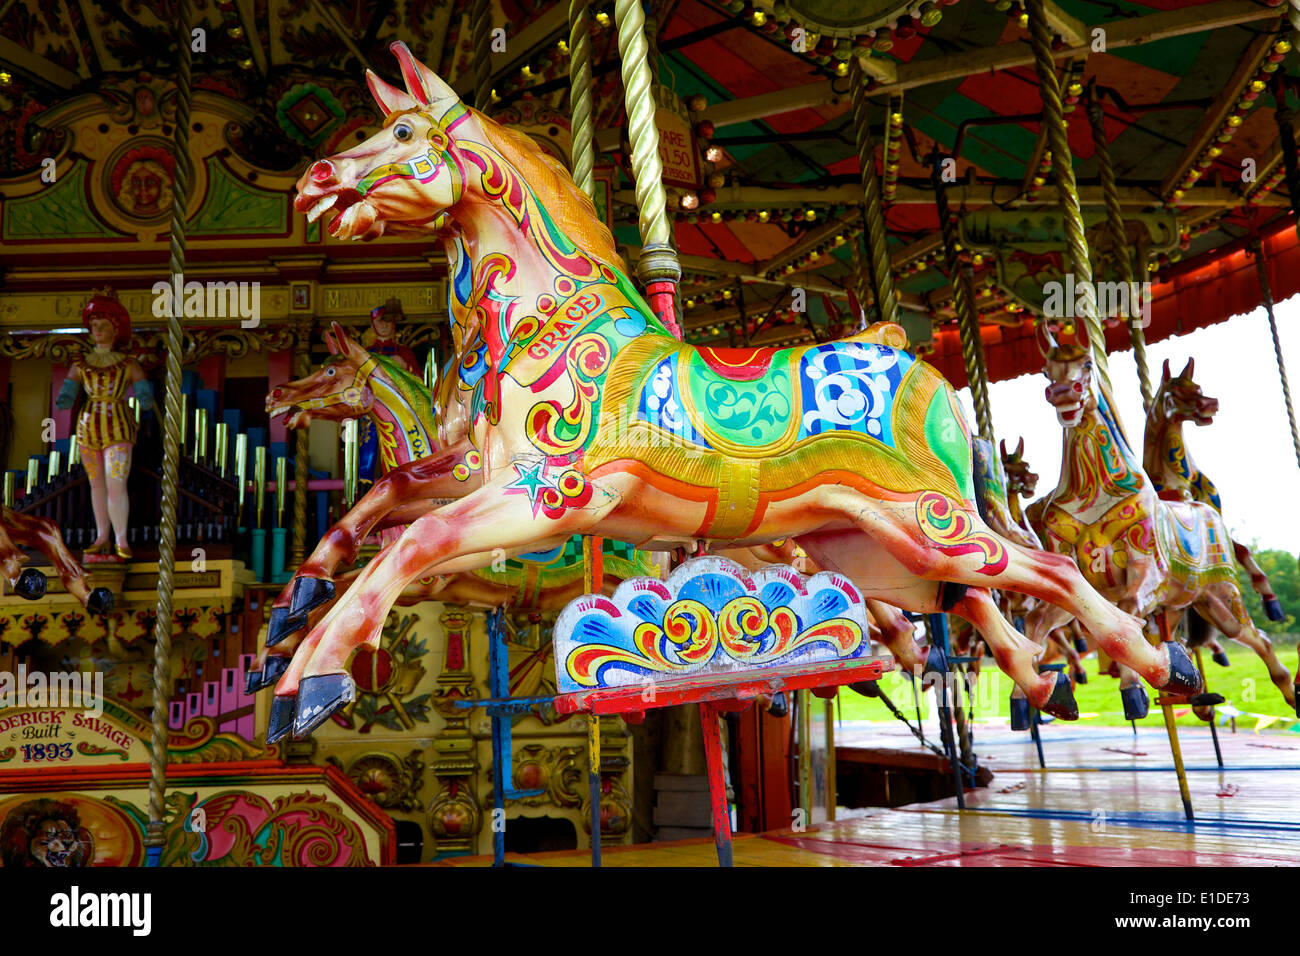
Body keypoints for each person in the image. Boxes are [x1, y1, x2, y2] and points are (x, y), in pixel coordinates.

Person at [55, 290, 153, 559]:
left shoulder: (127, 364)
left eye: (104, 326)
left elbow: (143, 390)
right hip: (88, 426)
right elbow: (69, 390)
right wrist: (64, 397)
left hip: (118, 425)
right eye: (94, 326)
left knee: (116, 483)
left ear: (115, 329)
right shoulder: (81, 363)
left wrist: (145, 396)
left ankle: (121, 538)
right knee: (96, 484)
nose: (97, 330)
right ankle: (102, 536)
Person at [357, 299, 418, 493]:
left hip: (400, 410)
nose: (384, 326)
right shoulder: (365, 354)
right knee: (369, 439)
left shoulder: (405, 353)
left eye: (388, 321)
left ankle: (403, 486)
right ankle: (363, 484)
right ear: (373, 324)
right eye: (380, 321)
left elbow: (418, 382)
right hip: (372, 410)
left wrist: (404, 367)